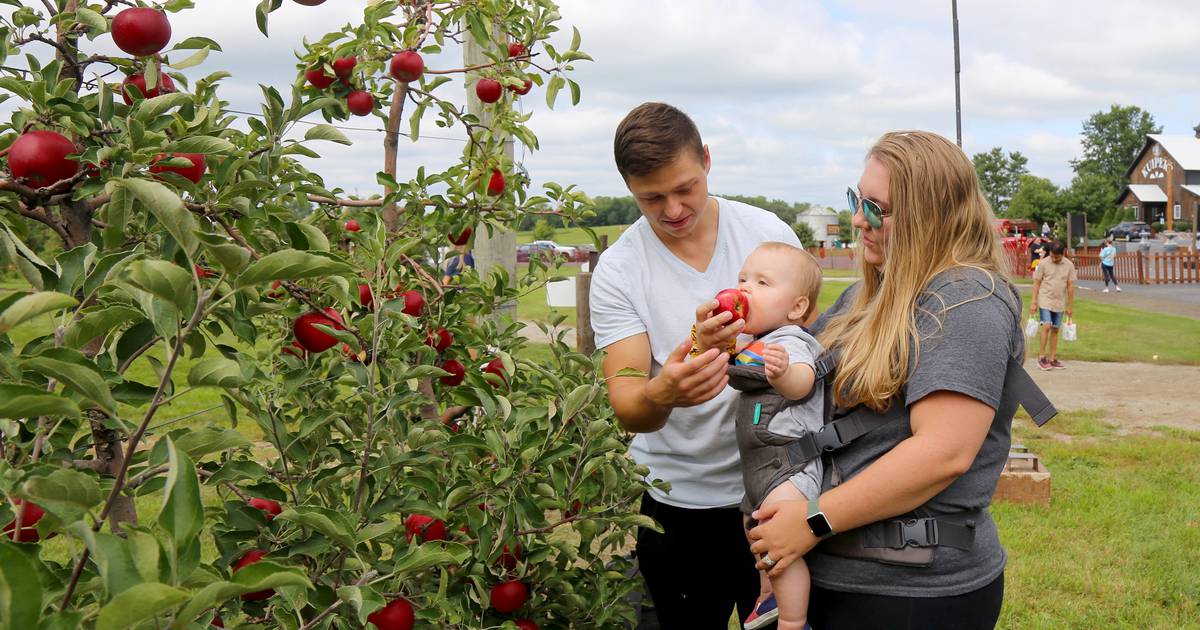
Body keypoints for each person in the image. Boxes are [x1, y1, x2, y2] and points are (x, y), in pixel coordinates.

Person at [743, 130, 1024, 629]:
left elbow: (942, 454)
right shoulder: (864, 297)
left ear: (930, 216)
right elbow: (798, 367)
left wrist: (810, 520)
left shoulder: (968, 302)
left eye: (877, 209)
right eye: (858, 200)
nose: (858, 219)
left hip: (910, 595)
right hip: (839, 576)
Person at [590, 102, 802, 628]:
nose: (673, 209)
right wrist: (664, 392)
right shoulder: (619, 269)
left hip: (779, 489)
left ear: (707, 159)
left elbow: (807, 343)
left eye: (685, 187)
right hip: (680, 501)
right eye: (651, 198)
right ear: (628, 187)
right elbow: (629, 406)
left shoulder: (767, 234)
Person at [694, 242, 824, 630]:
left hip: (789, 466)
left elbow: (803, 383)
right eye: (742, 279)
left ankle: (793, 620)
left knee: (776, 540)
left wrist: (784, 373)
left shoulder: (790, 341)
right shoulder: (752, 342)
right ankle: (769, 595)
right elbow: (710, 369)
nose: (745, 288)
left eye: (762, 283)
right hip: (760, 470)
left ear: (796, 308)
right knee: (754, 532)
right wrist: (707, 341)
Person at [1030, 241, 1075, 370]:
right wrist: (1034, 302)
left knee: (1055, 329)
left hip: (1059, 302)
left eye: (1057, 257)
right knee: (1046, 326)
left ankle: (1052, 358)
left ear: (1063, 253)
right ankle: (1041, 358)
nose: (1054, 259)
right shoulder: (1043, 263)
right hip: (1045, 299)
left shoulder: (1069, 265)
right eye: (1052, 256)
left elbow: (1070, 286)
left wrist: (1070, 306)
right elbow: (1037, 283)